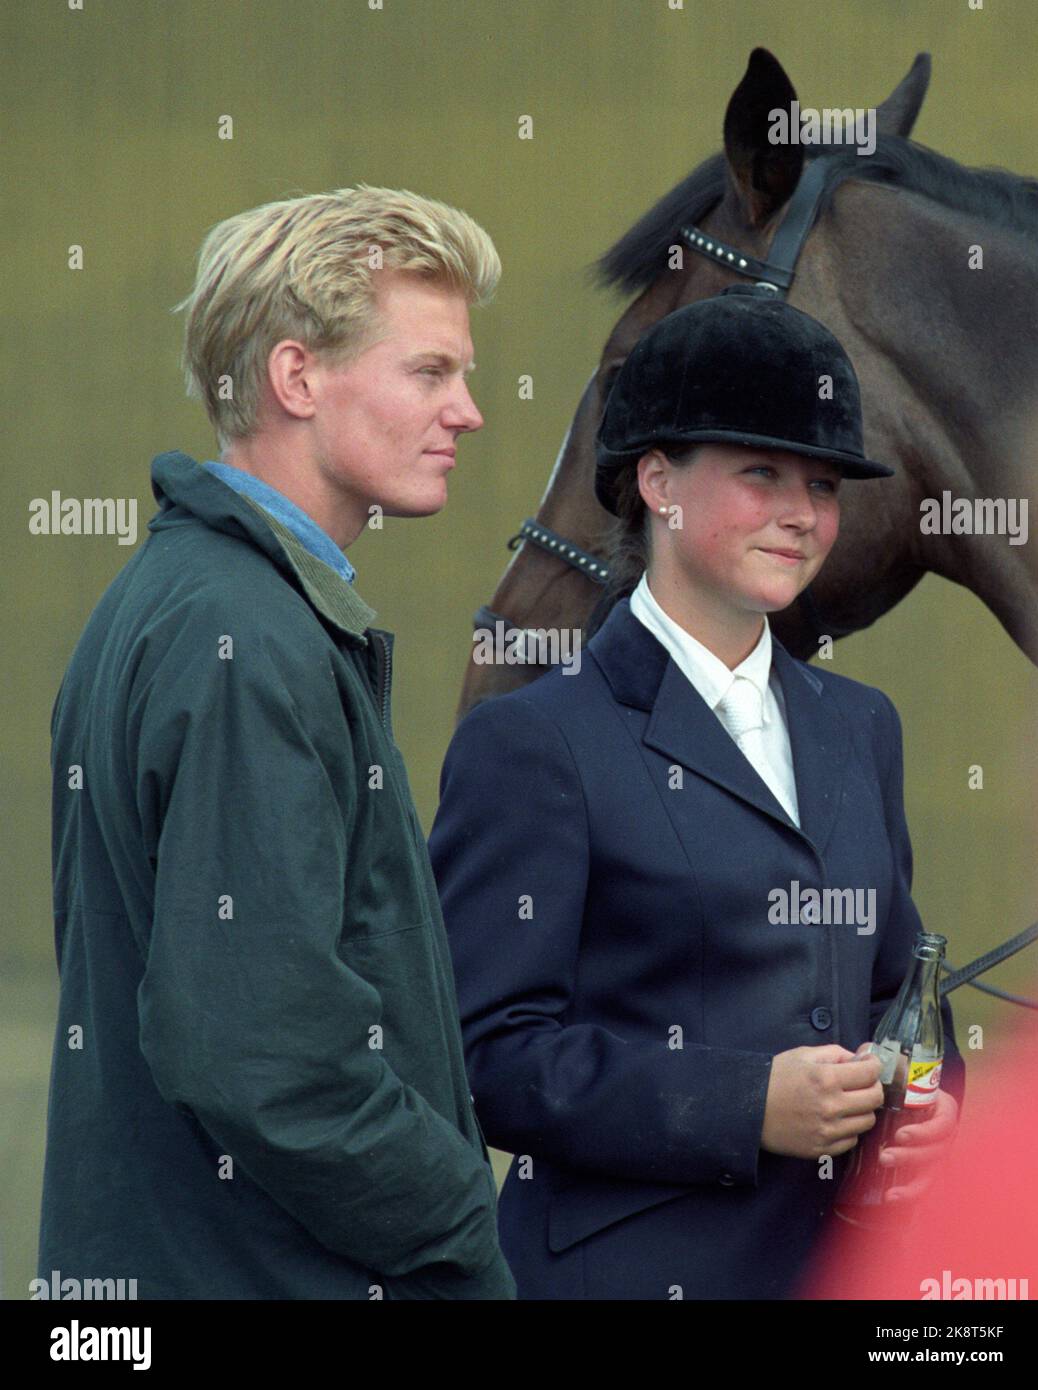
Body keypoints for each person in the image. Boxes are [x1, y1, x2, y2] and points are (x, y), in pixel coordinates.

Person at [427, 285, 966, 1300]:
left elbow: (898, 991)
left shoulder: (862, 726)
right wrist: (743, 1104)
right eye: (762, 474)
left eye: (823, 485)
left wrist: (929, 1103)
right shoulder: (534, 740)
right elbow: (483, 1056)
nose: (802, 515)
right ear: (657, 480)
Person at [40, 186, 516, 1300]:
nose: (469, 411)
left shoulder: (182, 599)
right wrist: (460, 1223)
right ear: (296, 378)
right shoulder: (243, 634)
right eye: (430, 371)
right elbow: (261, 1053)